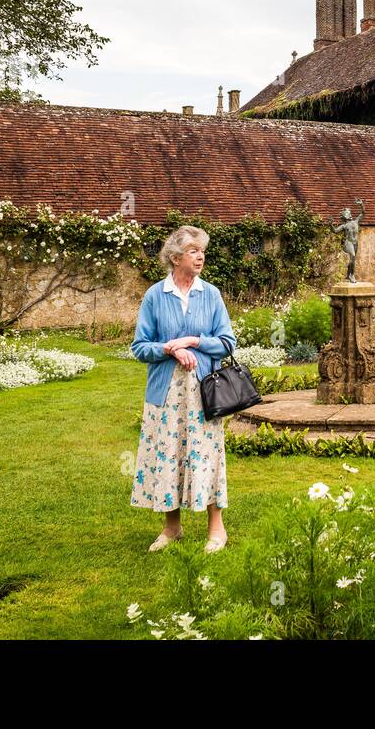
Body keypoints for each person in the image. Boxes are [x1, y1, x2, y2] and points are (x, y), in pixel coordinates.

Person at [129, 225, 236, 553]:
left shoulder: (211, 294)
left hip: (204, 394)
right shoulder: (155, 296)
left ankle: (217, 529)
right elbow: (139, 347)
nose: (200, 255)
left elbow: (227, 342)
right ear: (176, 258)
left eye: (201, 250)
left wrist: (193, 341)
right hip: (166, 396)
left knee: (206, 458)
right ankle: (171, 527)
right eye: (192, 251)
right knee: (167, 458)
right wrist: (169, 349)